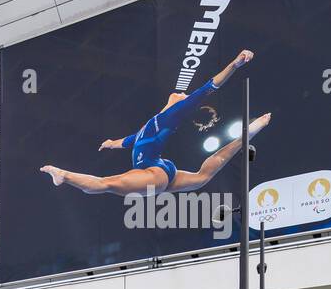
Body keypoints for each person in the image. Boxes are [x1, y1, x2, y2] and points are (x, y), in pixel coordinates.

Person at [40, 49, 269, 197]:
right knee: (202, 178)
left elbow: (210, 86)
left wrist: (235, 64)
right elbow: (130, 141)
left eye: (183, 94)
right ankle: (245, 136)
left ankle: (63, 175)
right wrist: (111, 143)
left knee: (106, 183)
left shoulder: (174, 113)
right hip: (158, 169)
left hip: (154, 171)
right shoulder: (150, 124)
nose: (182, 93)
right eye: (181, 93)